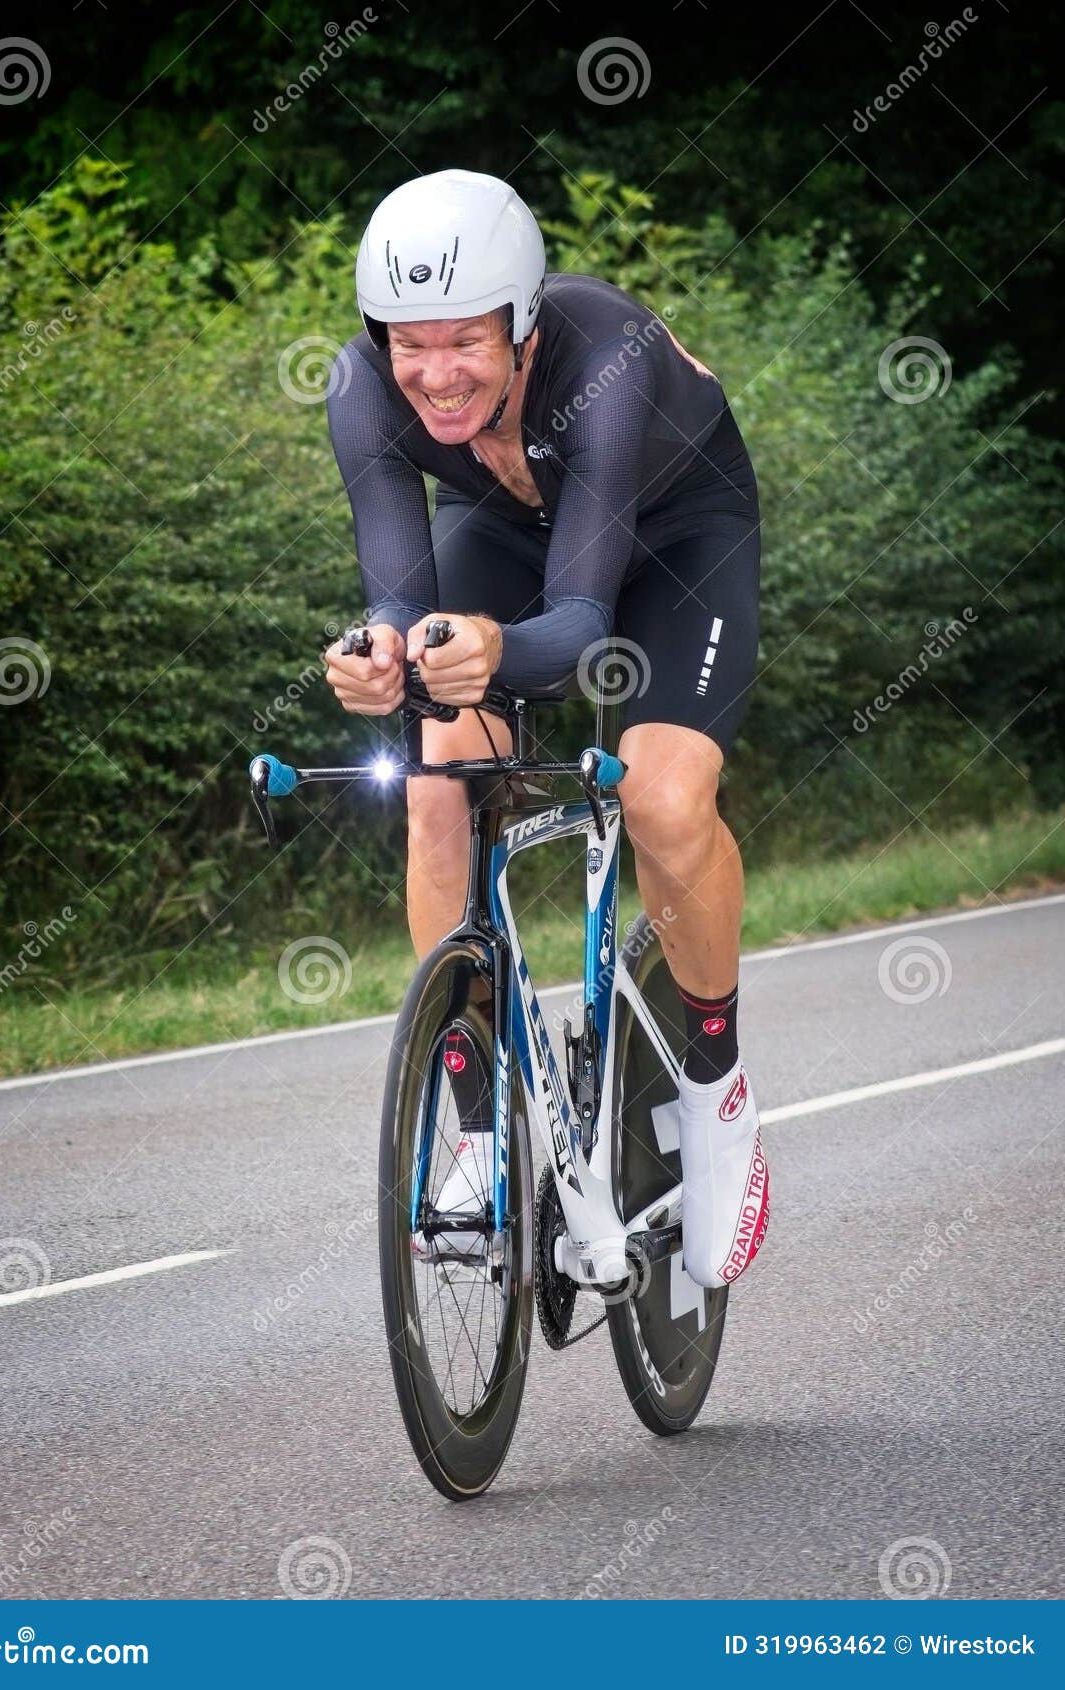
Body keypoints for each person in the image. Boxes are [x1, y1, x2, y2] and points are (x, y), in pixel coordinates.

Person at [323, 168, 768, 1288]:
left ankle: (717, 1091)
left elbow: (577, 625)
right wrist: (385, 657)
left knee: (662, 799)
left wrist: (489, 648)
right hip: (505, 528)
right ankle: (473, 1123)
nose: (434, 376)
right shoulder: (361, 389)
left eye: (465, 342)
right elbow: (399, 591)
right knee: (434, 782)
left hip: (675, 535)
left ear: (523, 326)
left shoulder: (602, 352)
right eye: (407, 345)